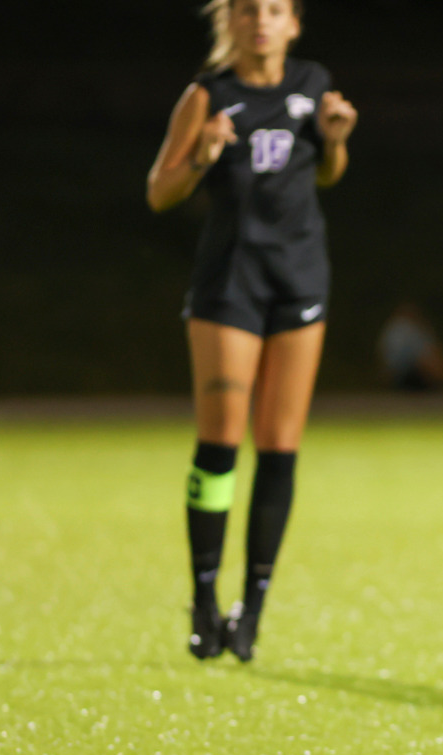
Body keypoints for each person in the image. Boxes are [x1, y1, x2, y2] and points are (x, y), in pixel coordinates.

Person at [146, 0, 356, 662]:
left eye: (273, 10)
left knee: (281, 446)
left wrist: (340, 137)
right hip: (229, 284)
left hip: (299, 280)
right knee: (219, 443)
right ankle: (205, 600)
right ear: (229, 23)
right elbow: (159, 190)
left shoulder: (313, 83)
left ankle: (253, 610)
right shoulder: (207, 96)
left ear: (292, 23)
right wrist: (202, 156)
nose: (260, 21)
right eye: (247, 10)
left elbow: (327, 171)